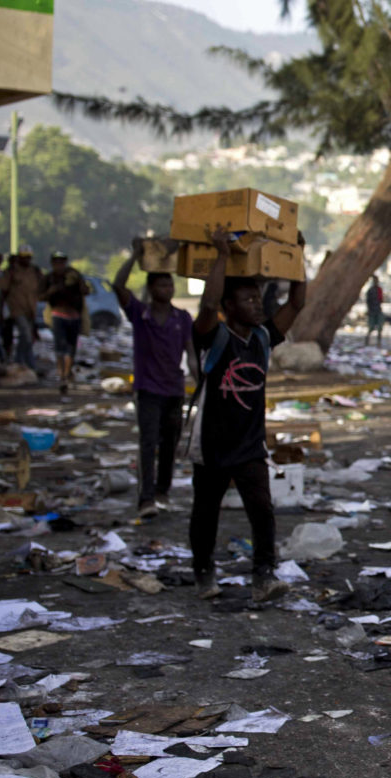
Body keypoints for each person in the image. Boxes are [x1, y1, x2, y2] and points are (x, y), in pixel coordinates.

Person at [189, 228, 306, 601]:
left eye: (258, 298)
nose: (258, 305)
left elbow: (296, 305)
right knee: (206, 512)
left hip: (249, 444)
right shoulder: (213, 336)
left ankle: (263, 576)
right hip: (212, 442)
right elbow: (207, 308)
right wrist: (222, 255)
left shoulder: (262, 338)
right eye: (249, 300)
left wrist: (297, 256)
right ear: (230, 307)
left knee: (262, 509)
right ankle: (204, 572)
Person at [112, 239, 195, 519]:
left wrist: (200, 380)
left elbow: (191, 353)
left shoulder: (182, 318)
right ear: (151, 289)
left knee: (170, 444)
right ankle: (146, 498)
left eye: (170, 285)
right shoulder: (140, 314)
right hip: (148, 388)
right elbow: (118, 286)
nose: (167, 290)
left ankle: (163, 491)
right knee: (148, 443)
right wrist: (136, 254)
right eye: (162, 285)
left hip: (174, 388)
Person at [42, 251, 90, 394]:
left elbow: (85, 290)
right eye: (57, 262)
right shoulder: (49, 278)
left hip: (74, 316)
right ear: (52, 264)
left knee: (70, 348)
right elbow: (40, 296)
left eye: (62, 262)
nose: (60, 265)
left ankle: (66, 375)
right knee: (60, 347)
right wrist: (52, 290)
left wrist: (78, 281)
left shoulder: (74, 275)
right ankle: (61, 374)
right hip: (58, 315)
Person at [0, 245, 42, 371]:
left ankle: (28, 364)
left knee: (29, 339)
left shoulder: (34, 271)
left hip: (30, 309)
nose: (27, 260)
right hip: (17, 308)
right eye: (24, 257)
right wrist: (0, 311)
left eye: (29, 257)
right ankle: (18, 360)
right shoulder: (12, 271)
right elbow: (3, 292)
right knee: (26, 335)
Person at [364, 275, 385, 347]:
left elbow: (381, 300)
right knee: (371, 327)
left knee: (380, 328)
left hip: (378, 310)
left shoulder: (379, 290)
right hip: (372, 311)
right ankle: (367, 340)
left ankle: (378, 343)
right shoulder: (370, 290)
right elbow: (368, 301)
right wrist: (368, 310)